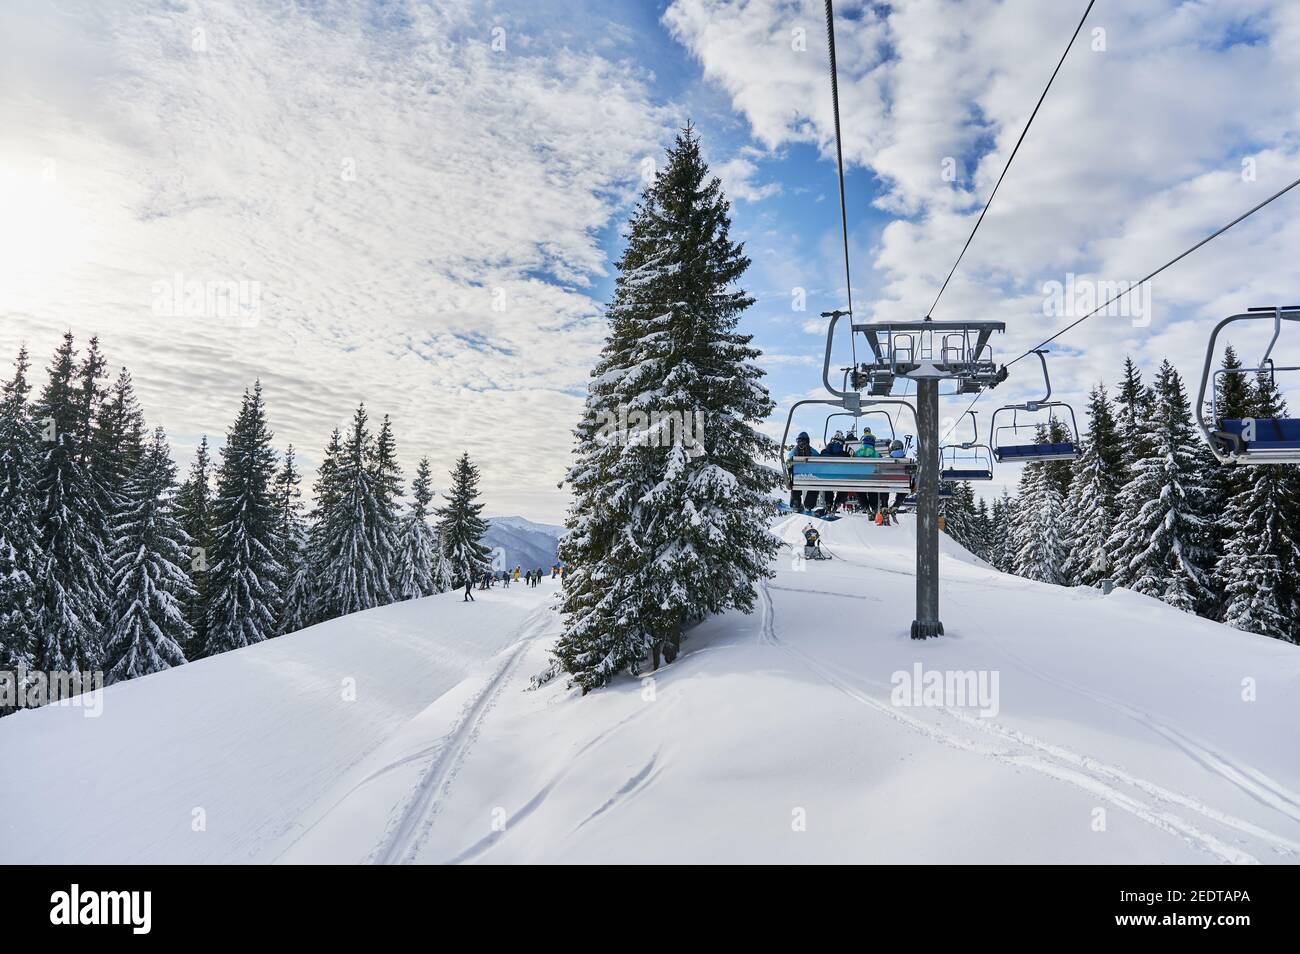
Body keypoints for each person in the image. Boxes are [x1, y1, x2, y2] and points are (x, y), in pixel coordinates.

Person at [787, 431, 817, 511]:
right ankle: (809, 505)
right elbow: (819, 460)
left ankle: (795, 503)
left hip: (798, 479)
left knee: (795, 480)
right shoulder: (812, 451)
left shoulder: (794, 451)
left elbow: (789, 462)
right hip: (811, 478)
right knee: (815, 485)